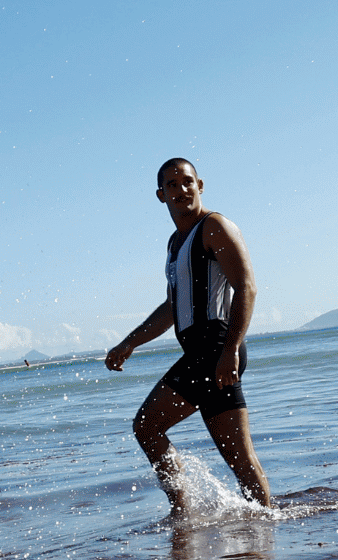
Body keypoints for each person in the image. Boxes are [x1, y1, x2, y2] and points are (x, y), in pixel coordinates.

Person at [105, 157, 273, 509]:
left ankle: (184, 510)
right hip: (205, 352)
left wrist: (231, 351)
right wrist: (129, 342)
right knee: (240, 459)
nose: (181, 190)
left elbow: (247, 288)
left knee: (147, 427)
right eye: (171, 185)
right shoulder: (174, 243)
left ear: (200, 185)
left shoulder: (214, 227)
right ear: (160, 195)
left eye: (187, 182)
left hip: (215, 348)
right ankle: (265, 522)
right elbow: (172, 306)